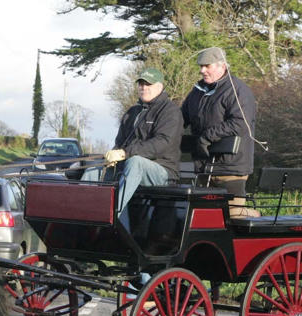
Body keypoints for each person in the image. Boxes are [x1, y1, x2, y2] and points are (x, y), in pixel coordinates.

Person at [82, 66, 183, 213]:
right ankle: (81, 214)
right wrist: (113, 155)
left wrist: (125, 153)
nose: (144, 88)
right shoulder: (132, 112)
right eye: (141, 84)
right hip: (129, 166)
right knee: (94, 169)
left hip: (163, 170)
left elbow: (162, 143)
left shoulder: (170, 111)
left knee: (136, 162)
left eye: (148, 84)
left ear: (160, 87)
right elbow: (120, 143)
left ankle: (111, 215)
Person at [181, 46, 260, 217]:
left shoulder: (238, 90)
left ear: (222, 66)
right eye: (201, 66)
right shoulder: (196, 92)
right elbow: (180, 118)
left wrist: (207, 136)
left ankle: (256, 217)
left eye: (207, 66)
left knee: (232, 216)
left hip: (231, 168)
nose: (202, 70)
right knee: (204, 218)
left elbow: (240, 123)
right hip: (203, 168)